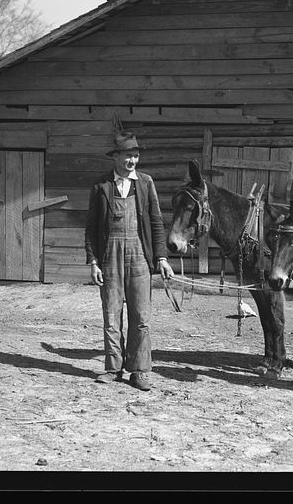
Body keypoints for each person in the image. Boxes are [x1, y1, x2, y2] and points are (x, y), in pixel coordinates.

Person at [84, 130, 175, 391]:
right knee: (112, 315)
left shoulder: (145, 183)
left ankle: (139, 371)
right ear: (115, 157)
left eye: (135, 156)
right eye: (127, 155)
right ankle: (113, 368)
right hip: (109, 255)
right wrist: (93, 261)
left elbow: (156, 223)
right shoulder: (101, 186)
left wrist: (161, 258)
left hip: (139, 256)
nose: (132, 160)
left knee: (141, 317)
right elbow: (91, 228)